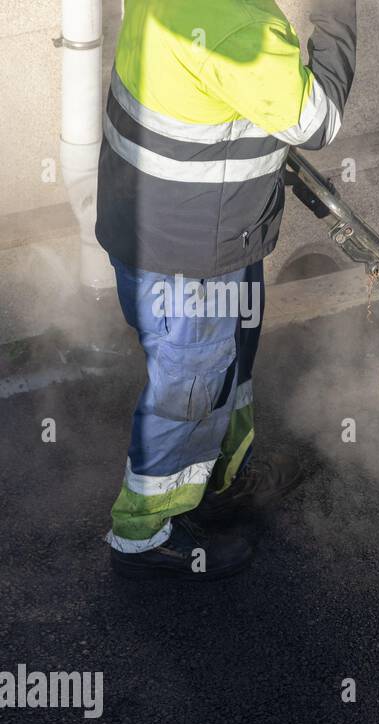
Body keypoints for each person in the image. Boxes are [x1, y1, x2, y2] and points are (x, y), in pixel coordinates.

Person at [95, 0, 357, 580]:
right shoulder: (243, 28)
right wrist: (337, 13)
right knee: (189, 389)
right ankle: (144, 536)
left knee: (226, 363)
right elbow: (318, 122)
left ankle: (220, 481)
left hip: (166, 224)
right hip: (191, 254)